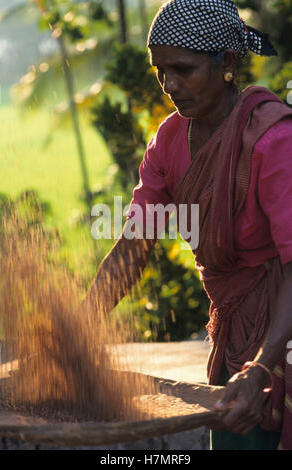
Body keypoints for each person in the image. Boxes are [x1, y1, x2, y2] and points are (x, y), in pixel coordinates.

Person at [82, 0, 292, 450]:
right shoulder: (170, 141)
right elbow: (135, 244)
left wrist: (263, 367)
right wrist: (79, 328)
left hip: (282, 337)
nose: (169, 84)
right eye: (160, 70)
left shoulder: (273, 139)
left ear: (227, 63)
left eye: (183, 68)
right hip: (234, 339)